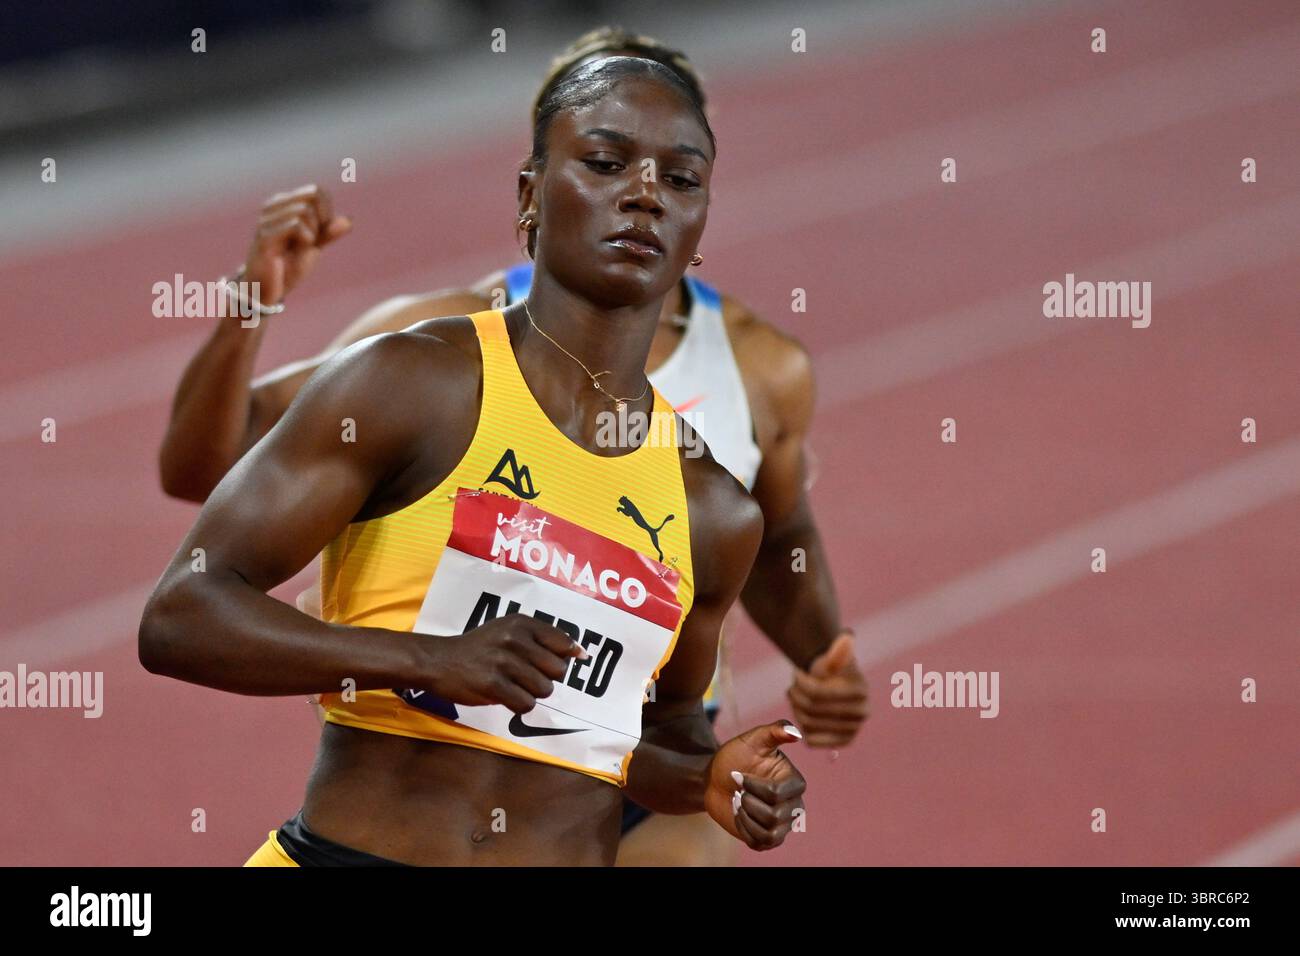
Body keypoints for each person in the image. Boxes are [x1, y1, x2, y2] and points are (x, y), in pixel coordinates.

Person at [157, 28, 865, 866]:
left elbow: (652, 737)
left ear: (699, 226)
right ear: (528, 197)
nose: (645, 195)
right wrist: (428, 660)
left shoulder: (711, 507)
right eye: (605, 163)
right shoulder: (410, 380)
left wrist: (715, 777)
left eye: (680, 180)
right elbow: (181, 614)